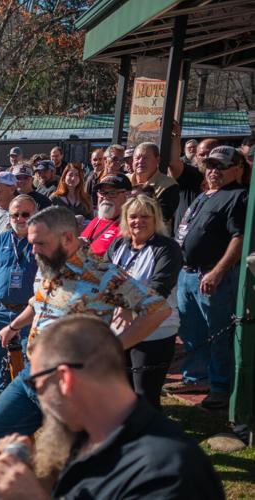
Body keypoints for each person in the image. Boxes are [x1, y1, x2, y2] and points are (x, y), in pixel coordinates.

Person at [0, 206, 170, 499]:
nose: (33, 249)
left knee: (68, 468)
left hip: (72, 389)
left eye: (40, 243)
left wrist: (114, 346)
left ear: (68, 239)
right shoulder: (52, 264)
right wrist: (14, 325)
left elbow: (158, 310)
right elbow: (40, 302)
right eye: (32, 242)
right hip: (31, 377)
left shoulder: (103, 274)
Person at [0, 316, 224, 500]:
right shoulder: (86, 438)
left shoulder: (167, 472)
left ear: (65, 379)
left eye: (37, 383)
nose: (38, 394)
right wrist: (32, 474)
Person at [170, 145, 248, 410]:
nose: (214, 171)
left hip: (212, 274)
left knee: (218, 334)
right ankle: (196, 378)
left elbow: (239, 238)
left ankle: (219, 387)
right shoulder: (205, 195)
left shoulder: (239, 196)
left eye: (221, 166)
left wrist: (219, 270)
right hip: (187, 273)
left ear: (238, 169)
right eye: (211, 165)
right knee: (191, 331)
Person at [106, 195, 182, 409]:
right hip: (119, 327)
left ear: (155, 218)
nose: (138, 221)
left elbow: (159, 288)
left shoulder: (167, 248)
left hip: (155, 329)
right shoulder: (119, 244)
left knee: (144, 394)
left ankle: (153, 438)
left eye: (144, 216)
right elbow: (103, 279)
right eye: (133, 216)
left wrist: (130, 307)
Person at [0, 195, 38, 391]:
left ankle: (25, 398)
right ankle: (2, 394)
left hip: (29, 312)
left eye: (25, 214)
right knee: (0, 355)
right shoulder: (0, 240)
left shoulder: (41, 241)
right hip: (1, 310)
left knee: (28, 356)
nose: (20, 219)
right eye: (15, 215)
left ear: (35, 214)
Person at [129, 142, 179, 233]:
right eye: (137, 158)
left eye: (146, 158)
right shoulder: (124, 181)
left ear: (158, 160)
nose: (140, 161)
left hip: (154, 239)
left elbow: (161, 217)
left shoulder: (168, 185)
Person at [80, 173, 130, 257]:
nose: (105, 197)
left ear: (127, 195)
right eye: (102, 192)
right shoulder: (97, 219)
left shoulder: (127, 227)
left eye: (112, 193)